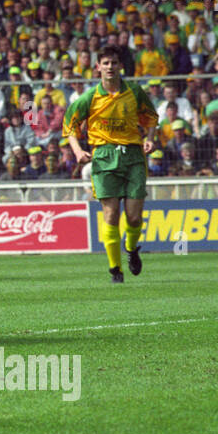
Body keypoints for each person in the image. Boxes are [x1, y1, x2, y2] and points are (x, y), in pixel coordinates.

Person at [63, 44, 158, 284]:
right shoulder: (89, 97)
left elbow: (151, 119)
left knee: (134, 217)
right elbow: (69, 126)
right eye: (105, 63)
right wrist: (77, 151)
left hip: (133, 156)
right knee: (111, 213)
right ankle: (115, 269)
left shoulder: (134, 92)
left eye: (113, 63)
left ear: (120, 66)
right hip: (104, 157)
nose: (110, 67)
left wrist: (150, 139)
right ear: (98, 67)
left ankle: (131, 248)